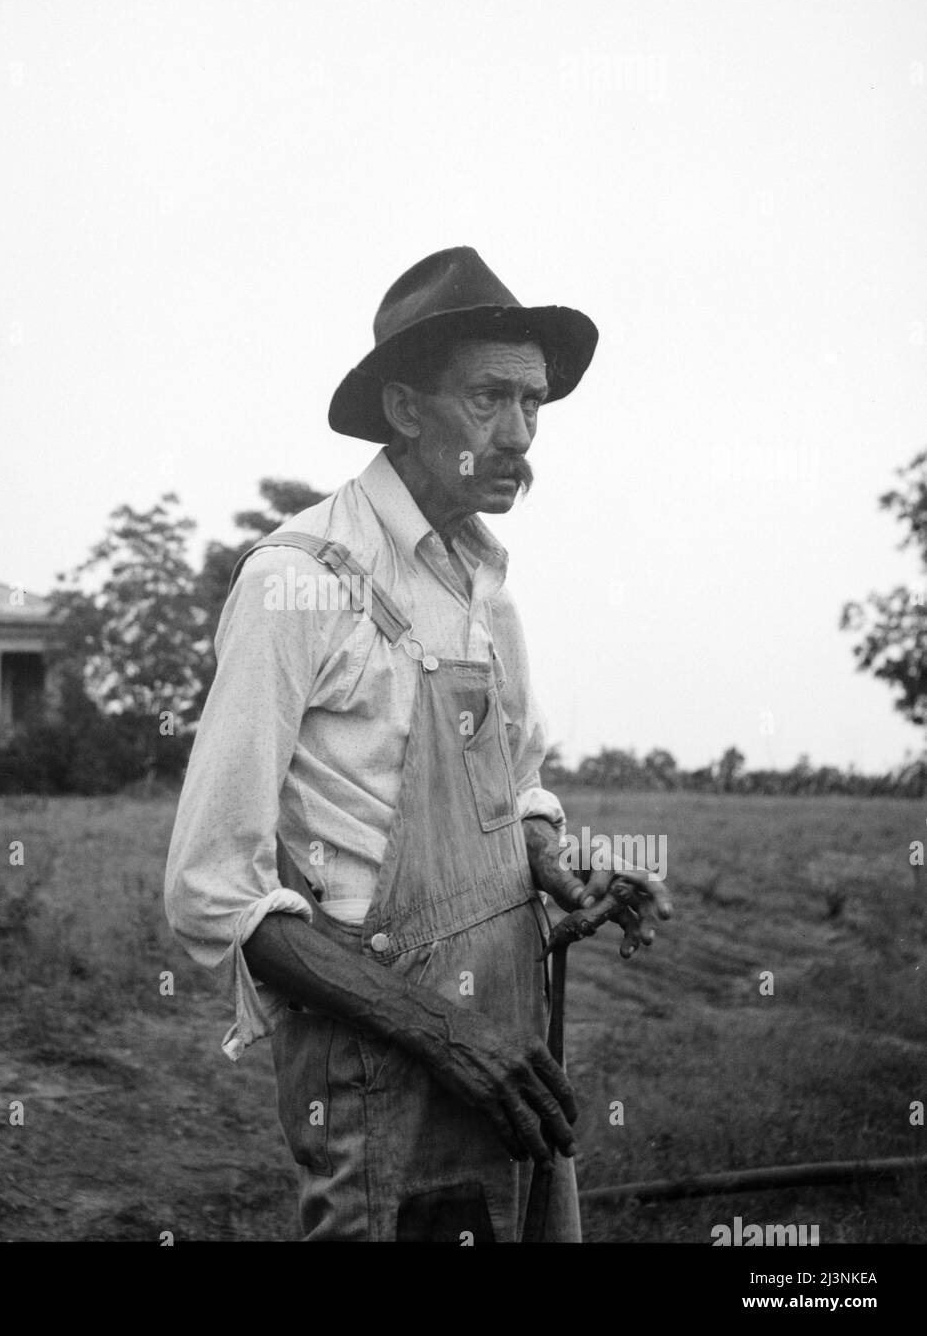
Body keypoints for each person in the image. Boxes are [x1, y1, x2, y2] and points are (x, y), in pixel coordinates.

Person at [164, 246, 672, 1242]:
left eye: (535, 405)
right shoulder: (299, 580)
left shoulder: (484, 583)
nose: (522, 436)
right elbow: (210, 887)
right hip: (380, 1065)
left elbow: (515, 790)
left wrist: (562, 872)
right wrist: (449, 1037)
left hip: (505, 1050)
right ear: (404, 409)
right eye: (491, 399)